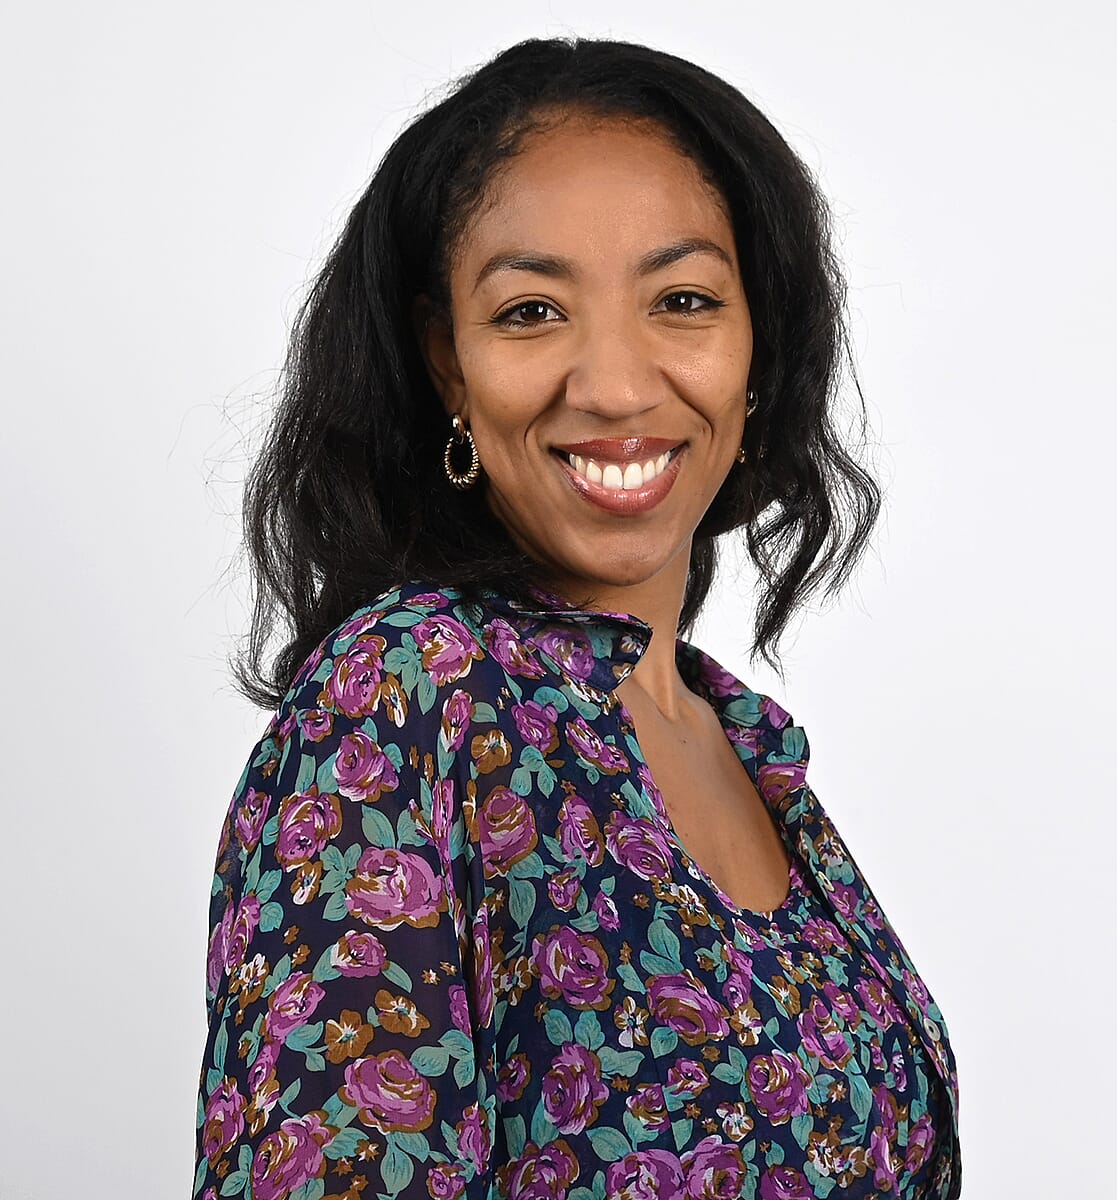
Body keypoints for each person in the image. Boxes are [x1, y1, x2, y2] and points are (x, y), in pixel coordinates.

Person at [194, 36, 962, 1200]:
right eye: (532, 311)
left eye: (683, 300)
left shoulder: (738, 738)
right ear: (448, 365)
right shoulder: (409, 696)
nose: (613, 384)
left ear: (759, 344)